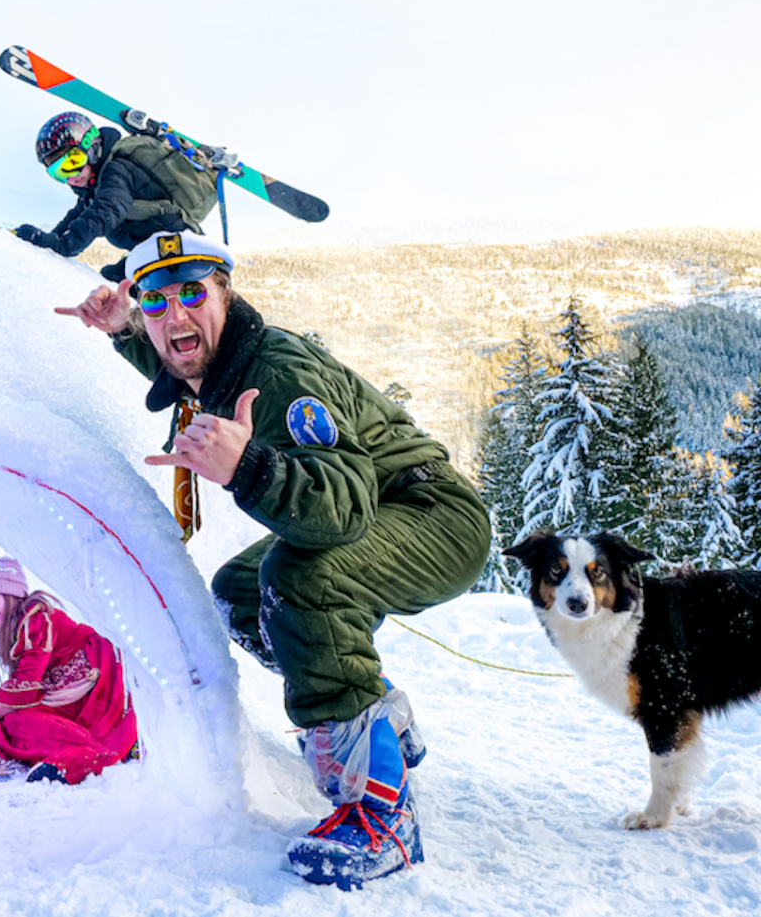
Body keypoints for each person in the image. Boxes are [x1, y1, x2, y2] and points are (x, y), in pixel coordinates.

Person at [56, 230, 492, 889]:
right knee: (238, 590)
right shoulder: (220, 361)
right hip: (389, 506)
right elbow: (179, 362)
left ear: (226, 295)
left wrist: (247, 467)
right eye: (153, 300)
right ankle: (374, 719)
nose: (175, 314)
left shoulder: (279, 375)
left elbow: (345, 507)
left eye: (192, 292)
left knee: (300, 581)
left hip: (432, 512)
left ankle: (381, 809)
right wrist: (122, 331)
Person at [0, 556, 139, 785]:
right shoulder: (16, 626)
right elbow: (20, 690)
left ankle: (82, 759)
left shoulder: (36, 620)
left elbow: (22, 691)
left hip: (96, 688)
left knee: (17, 722)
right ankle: (80, 750)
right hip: (66, 690)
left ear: (13, 592)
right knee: (11, 724)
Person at [14, 112, 217, 282]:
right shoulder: (93, 187)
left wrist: (63, 246)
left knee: (140, 290)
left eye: (72, 163)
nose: (70, 178)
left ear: (92, 148)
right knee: (109, 279)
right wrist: (50, 240)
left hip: (176, 248)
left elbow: (106, 211)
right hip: (153, 247)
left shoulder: (116, 170)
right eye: (59, 172)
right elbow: (75, 217)